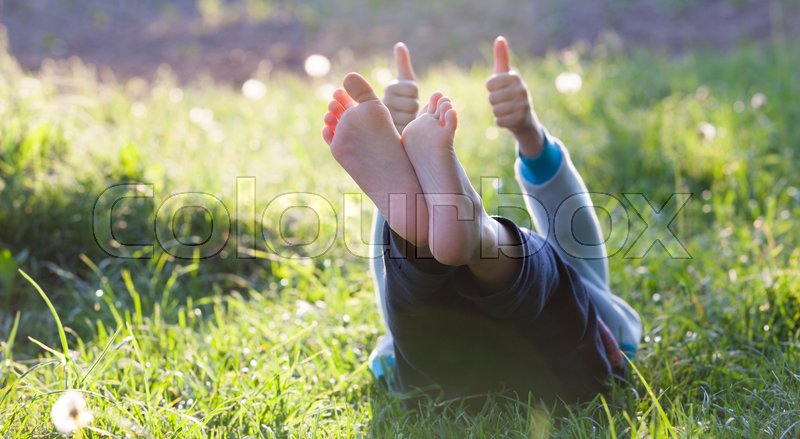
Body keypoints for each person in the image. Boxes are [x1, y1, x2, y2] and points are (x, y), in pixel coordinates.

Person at [321, 37, 642, 404]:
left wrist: (398, 158)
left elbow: (386, 278)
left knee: (411, 290)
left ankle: (424, 242)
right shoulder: (602, 324)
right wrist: (530, 136)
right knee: (547, 271)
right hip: (565, 371)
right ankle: (483, 238)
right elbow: (575, 239)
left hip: (440, 380)